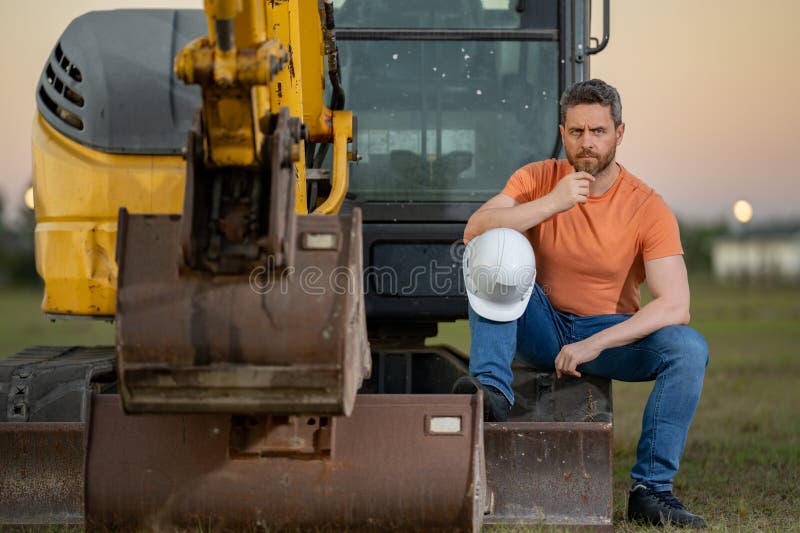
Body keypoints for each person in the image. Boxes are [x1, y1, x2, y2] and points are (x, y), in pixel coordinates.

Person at [454, 79, 709, 528]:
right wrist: (551, 204)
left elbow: (675, 305)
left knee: (688, 348)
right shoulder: (537, 178)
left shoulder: (648, 206)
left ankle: (650, 490)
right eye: (576, 132)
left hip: (608, 335)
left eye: (598, 131)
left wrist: (595, 345)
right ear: (563, 131)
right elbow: (475, 230)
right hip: (542, 324)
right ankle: (492, 391)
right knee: (495, 247)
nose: (587, 143)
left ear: (619, 133)